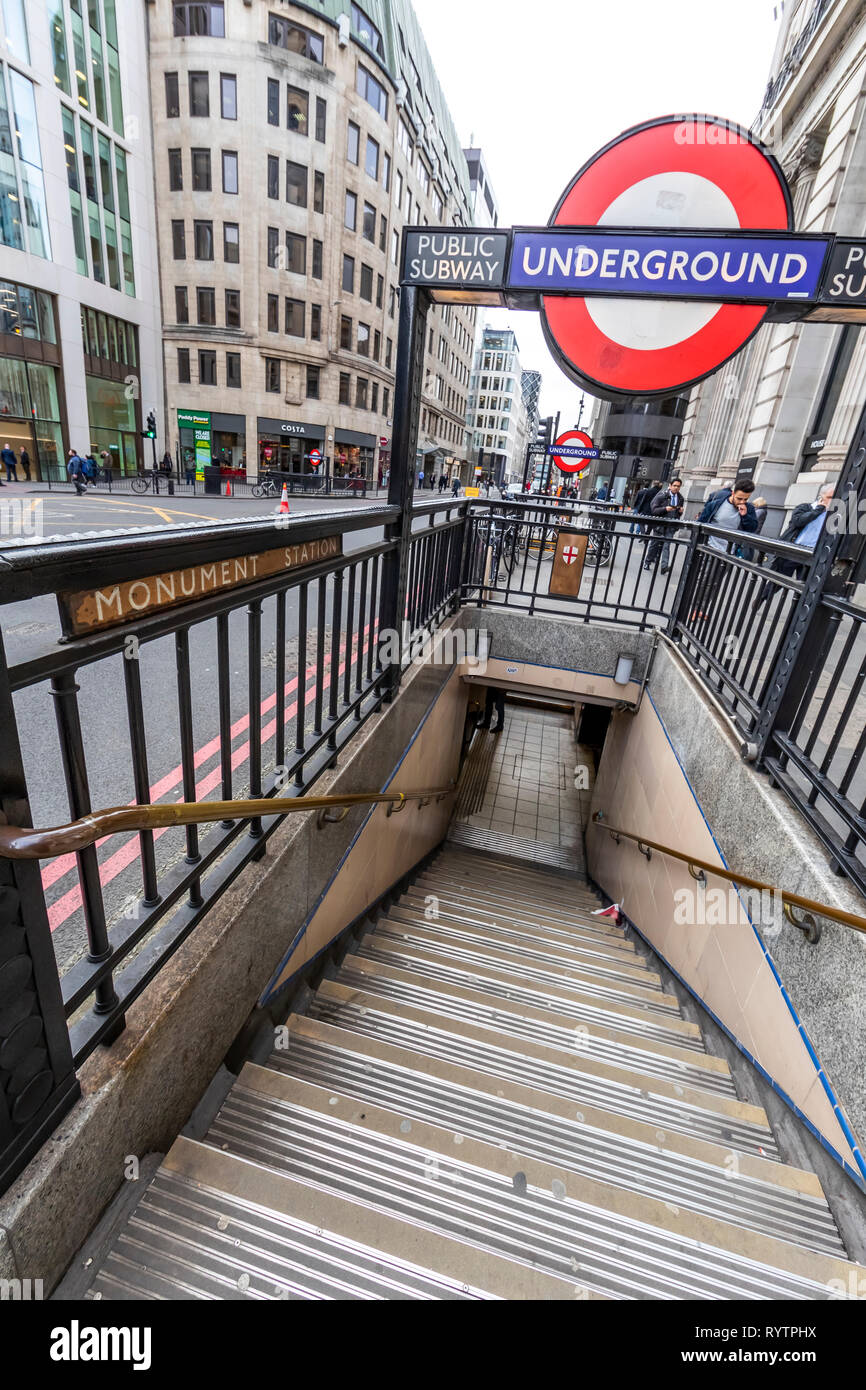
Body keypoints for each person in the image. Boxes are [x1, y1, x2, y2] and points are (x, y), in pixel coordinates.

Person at [754, 485, 835, 607]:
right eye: (829, 497)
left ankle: (797, 613)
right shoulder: (805, 507)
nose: (832, 500)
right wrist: (819, 509)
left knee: (806, 587)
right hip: (794, 550)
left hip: (812, 554)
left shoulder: (832, 515)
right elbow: (798, 521)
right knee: (779, 580)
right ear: (821, 496)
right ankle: (762, 598)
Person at [690, 476, 759, 618]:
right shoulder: (716, 504)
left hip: (729, 553)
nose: (742, 502)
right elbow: (701, 523)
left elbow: (752, 529)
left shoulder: (749, 509)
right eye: (739, 498)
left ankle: (701, 609)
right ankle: (694, 608)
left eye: (746, 499)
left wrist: (745, 515)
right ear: (733, 493)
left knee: (714, 584)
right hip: (710, 548)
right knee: (703, 580)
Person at [646, 478, 684, 571]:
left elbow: (677, 514)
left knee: (666, 546)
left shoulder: (680, 498)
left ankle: (664, 566)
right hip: (660, 525)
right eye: (674, 485)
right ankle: (647, 562)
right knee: (654, 544)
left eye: (678, 486)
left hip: (671, 526)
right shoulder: (662, 495)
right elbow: (654, 510)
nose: (676, 488)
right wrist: (665, 509)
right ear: (670, 486)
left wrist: (680, 512)